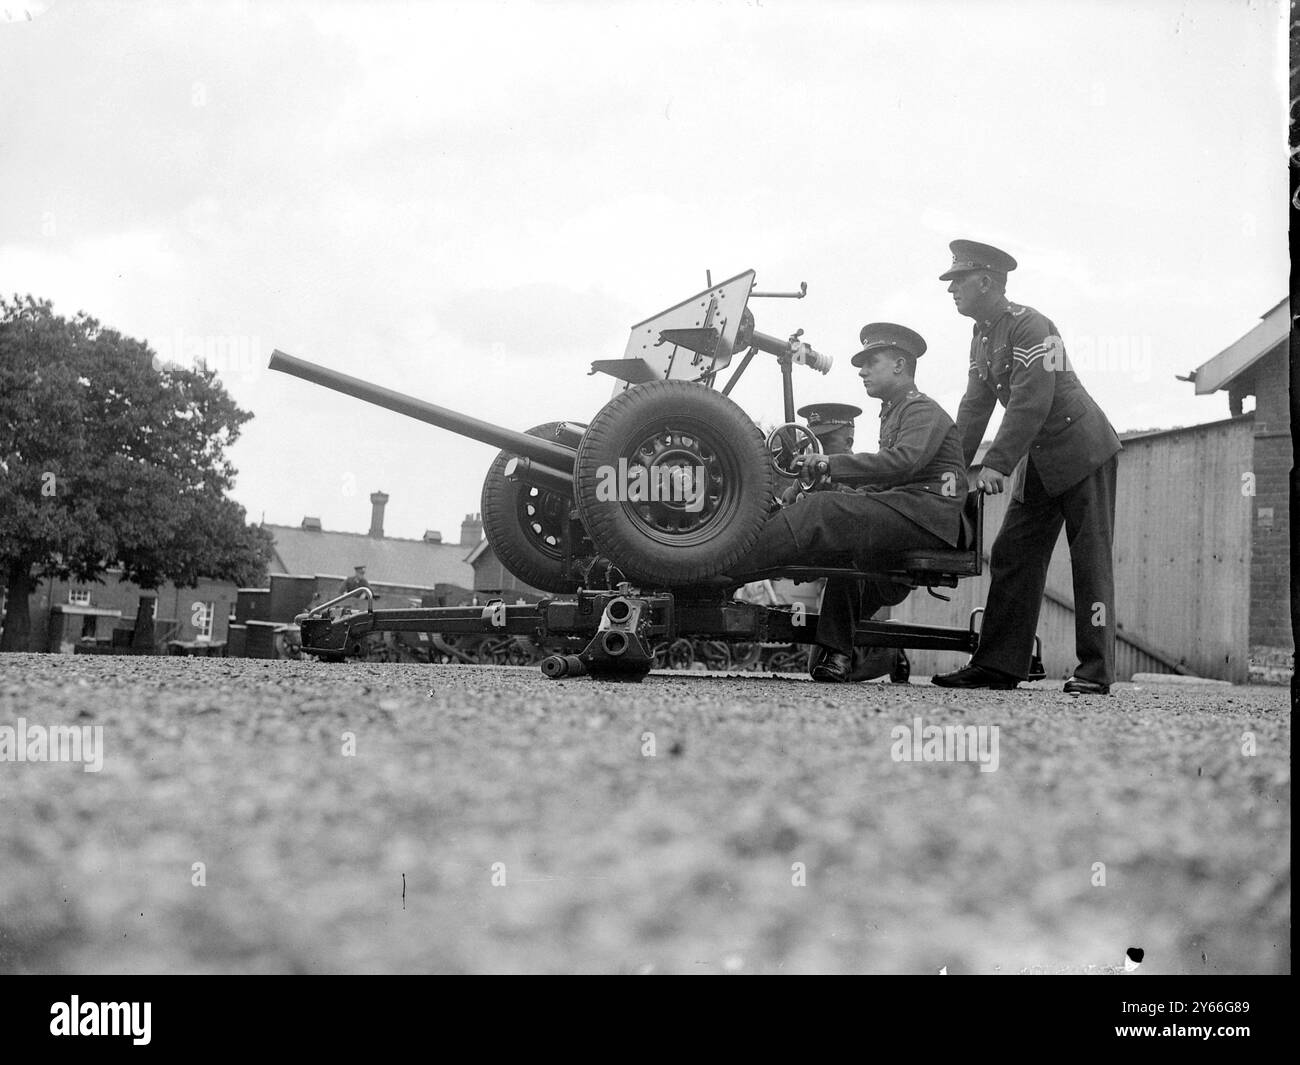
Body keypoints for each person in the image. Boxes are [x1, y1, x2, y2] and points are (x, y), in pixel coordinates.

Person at [930, 240, 1121, 695]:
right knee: (1014, 552)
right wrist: (950, 468)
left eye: (958, 281)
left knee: (1090, 561)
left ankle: (1096, 672)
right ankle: (998, 665)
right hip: (1039, 457)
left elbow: (1032, 398)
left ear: (986, 282)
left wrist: (996, 464)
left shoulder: (1031, 326)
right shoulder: (981, 336)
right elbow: (974, 410)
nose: (951, 290)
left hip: (1082, 449)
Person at [732, 324, 968, 682]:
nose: (862, 370)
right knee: (842, 547)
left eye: (871, 362)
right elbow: (886, 479)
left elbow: (903, 463)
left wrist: (831, 465)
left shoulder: (921, 410)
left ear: (900, 366)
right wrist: (831, 483)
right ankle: (841, 655)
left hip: (925, 515)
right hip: (909, 510)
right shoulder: (895, 411)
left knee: (823, 511)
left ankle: (729, 560)